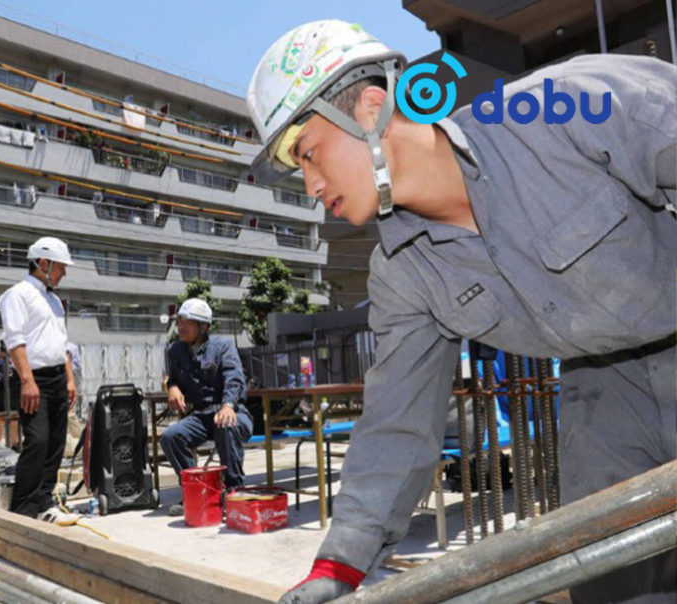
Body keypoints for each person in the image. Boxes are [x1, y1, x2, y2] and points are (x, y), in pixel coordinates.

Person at [245, 20, 675, 604]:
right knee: (604, 573)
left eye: (311, 155)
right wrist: (340, 566)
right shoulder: (404, 276)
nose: (313, 186)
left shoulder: (566, 108)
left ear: (370, 110)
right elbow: (396, 422)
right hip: (604, 392)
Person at [0, 236, 79, 525]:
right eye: (60, 266)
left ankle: (45, 502)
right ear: (43, 263)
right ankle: (23, 507)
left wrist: (69, 379)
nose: (64, 272)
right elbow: (15, 342)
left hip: (57, 377)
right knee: (37, 441)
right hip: (35, 380)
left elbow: (62, 345)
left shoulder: (55, 301)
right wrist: (28, 381)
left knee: (56, 442)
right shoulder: (17, 295)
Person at [160, 298, 253, 516]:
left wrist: (228, 405)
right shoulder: (176, 351)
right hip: (202, 416)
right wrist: (172, 388)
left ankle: (233, 492)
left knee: (225, 424)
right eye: (179, 321)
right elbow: (173, 379)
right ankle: (198, 493)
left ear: (203, 327)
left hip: (234, 412)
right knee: (171, 437)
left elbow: (235, 379)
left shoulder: (223, 347)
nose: (180, 327)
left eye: (187, 322)